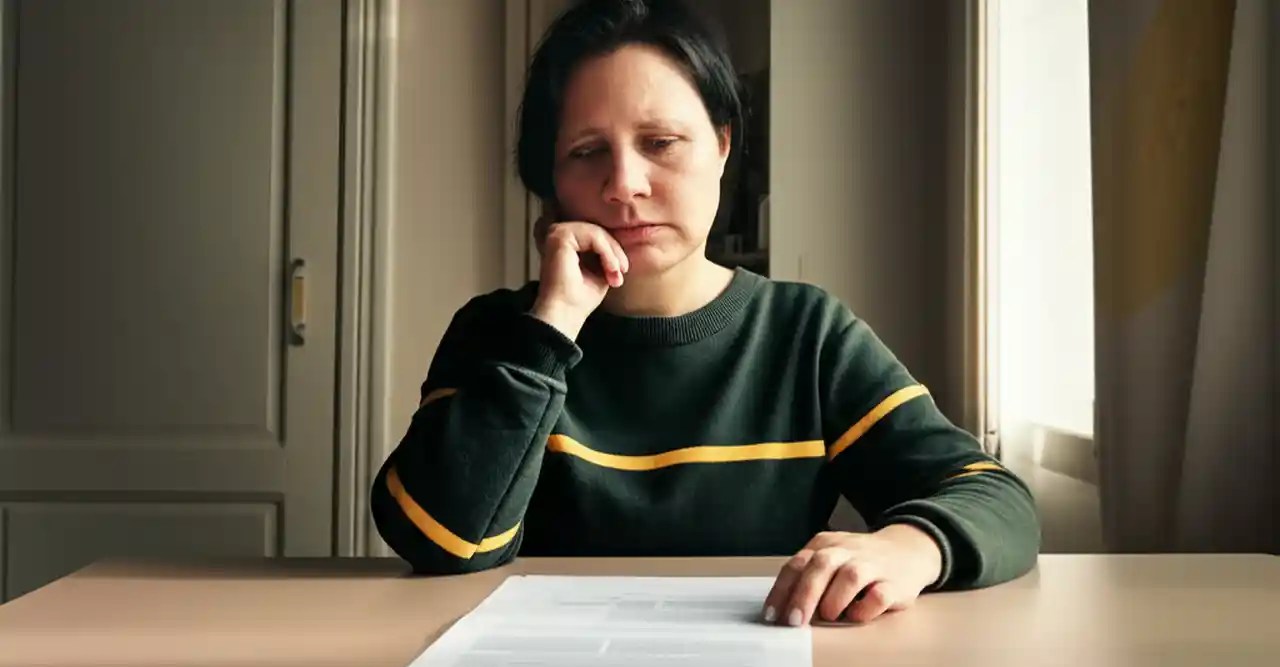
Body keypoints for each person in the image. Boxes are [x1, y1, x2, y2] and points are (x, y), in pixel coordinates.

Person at [371, 0, 1040, 627]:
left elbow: (995, 496)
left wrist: (908, 547)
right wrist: (551, 330)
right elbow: (441, 540)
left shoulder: (806, 334)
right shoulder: (499, 333)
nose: (624, 185)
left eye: (661, 142)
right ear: (551, 181)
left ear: (721, 146)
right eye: (587, 152)